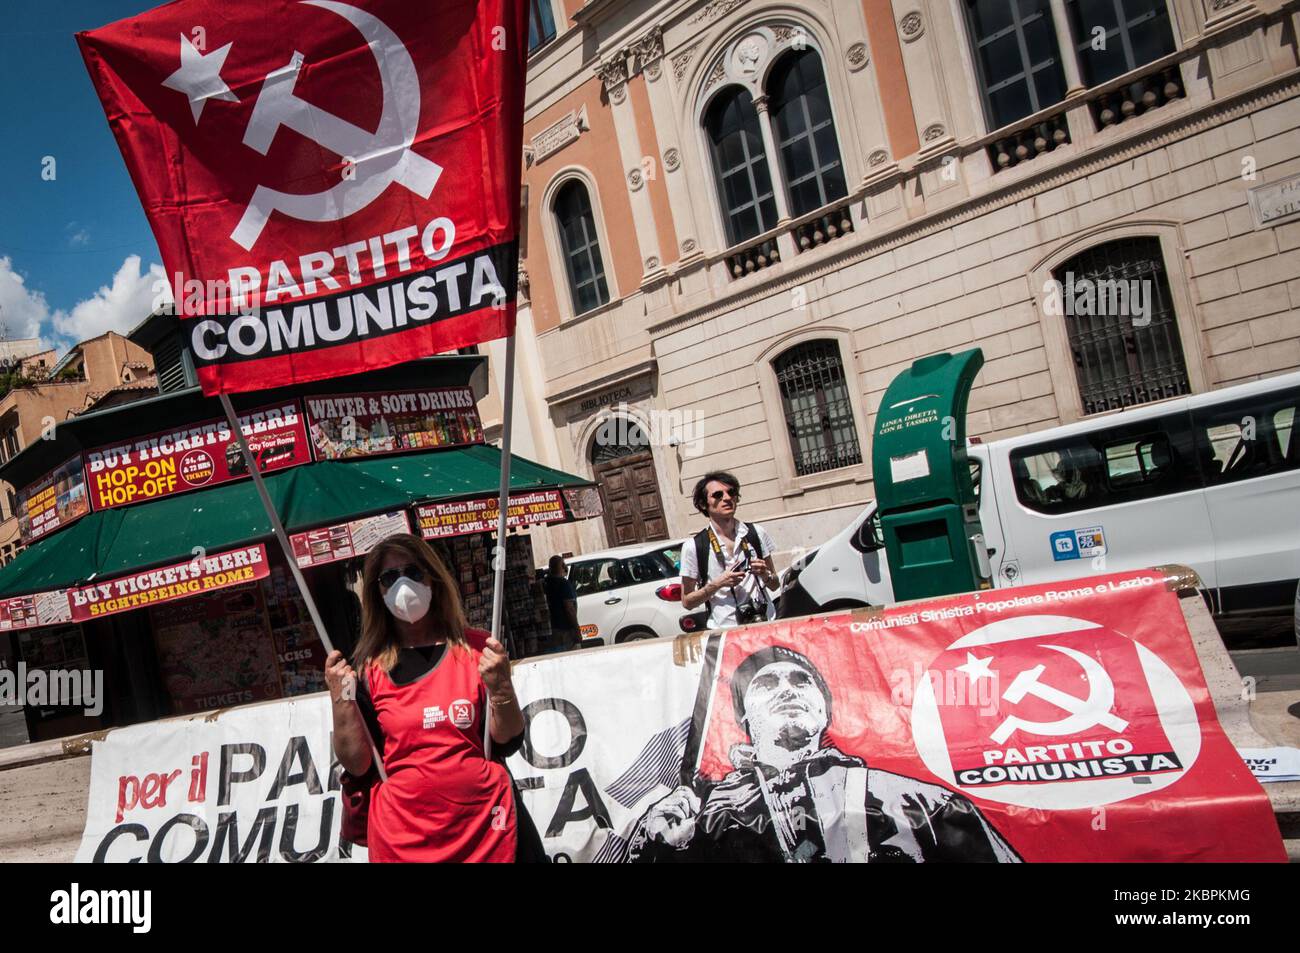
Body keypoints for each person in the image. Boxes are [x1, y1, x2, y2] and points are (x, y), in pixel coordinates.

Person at [626, 645, 1020, 863]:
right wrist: (653, 847)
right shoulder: (703, 813)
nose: (788, 689)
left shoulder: (913, 799)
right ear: (744, 716)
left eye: (802, 681)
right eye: (767, 684)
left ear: (824, 710)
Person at [325, 533, 544, 862]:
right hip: (407, 837)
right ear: (376, 592)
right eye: (389, 578)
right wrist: (340, 697)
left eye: (413, 572)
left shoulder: (477, 649)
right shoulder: (366, 670)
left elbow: (507, 741)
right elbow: (357, 764)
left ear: (434, 577)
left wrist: (500, 688)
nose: (403, 586)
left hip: (486, 829)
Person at [680, 471, 779, 629]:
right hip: (727, 634)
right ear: (703, 504)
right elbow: (687, 602)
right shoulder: (694, 547)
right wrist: (718, 584)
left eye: (731, 493)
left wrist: (765, 574)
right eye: (718, 495)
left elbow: (775, 584)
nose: (727, 498)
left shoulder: (756, 533)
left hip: (766, 624)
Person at [542, 554, 580, 652]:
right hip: (564, 631)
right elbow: (569, 609)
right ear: (563, 567)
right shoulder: (564, 584)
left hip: (550, 631)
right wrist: (577, 630)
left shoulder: (545, 583)